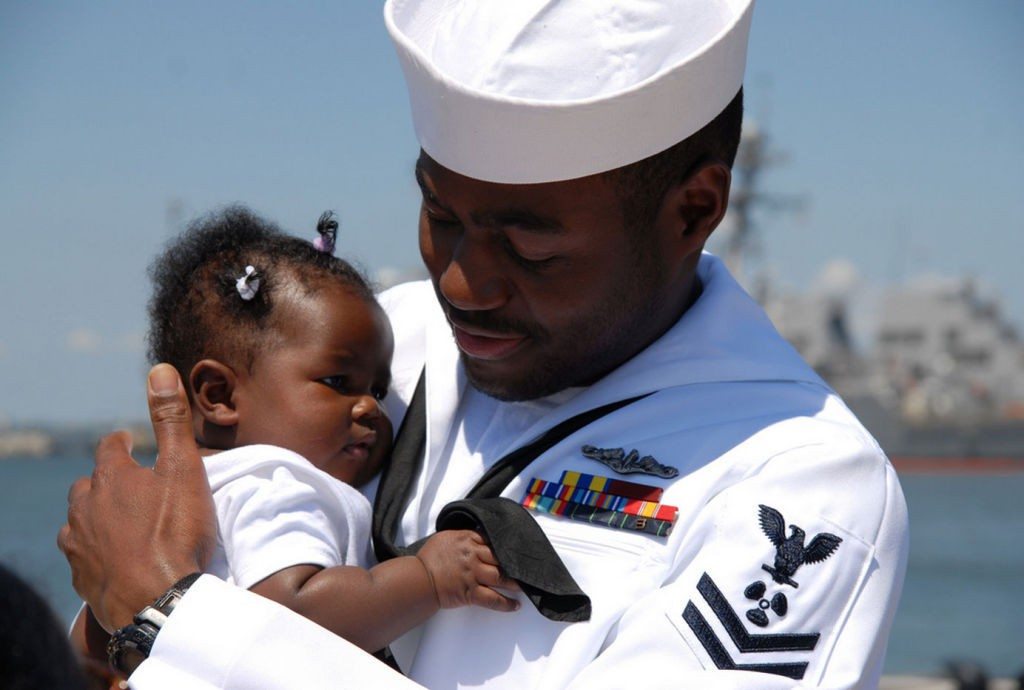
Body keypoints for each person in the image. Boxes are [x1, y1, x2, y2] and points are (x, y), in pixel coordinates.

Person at [59, 1, 909, 688]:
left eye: (531, 248)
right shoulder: (385, 345)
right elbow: (164, 562)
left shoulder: (802, 485)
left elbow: (162, 596)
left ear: (693, 210)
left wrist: (171, 621)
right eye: (441, 217)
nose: (462, 285)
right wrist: (110, 617)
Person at [68, 208, 518, 672]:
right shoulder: (275, 482)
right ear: (219, 395)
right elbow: (296, 617)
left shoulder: (172, 500)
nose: (370, 408)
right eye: (338, 381)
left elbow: (95, 636)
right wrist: (429, 576)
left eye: (378, 391)